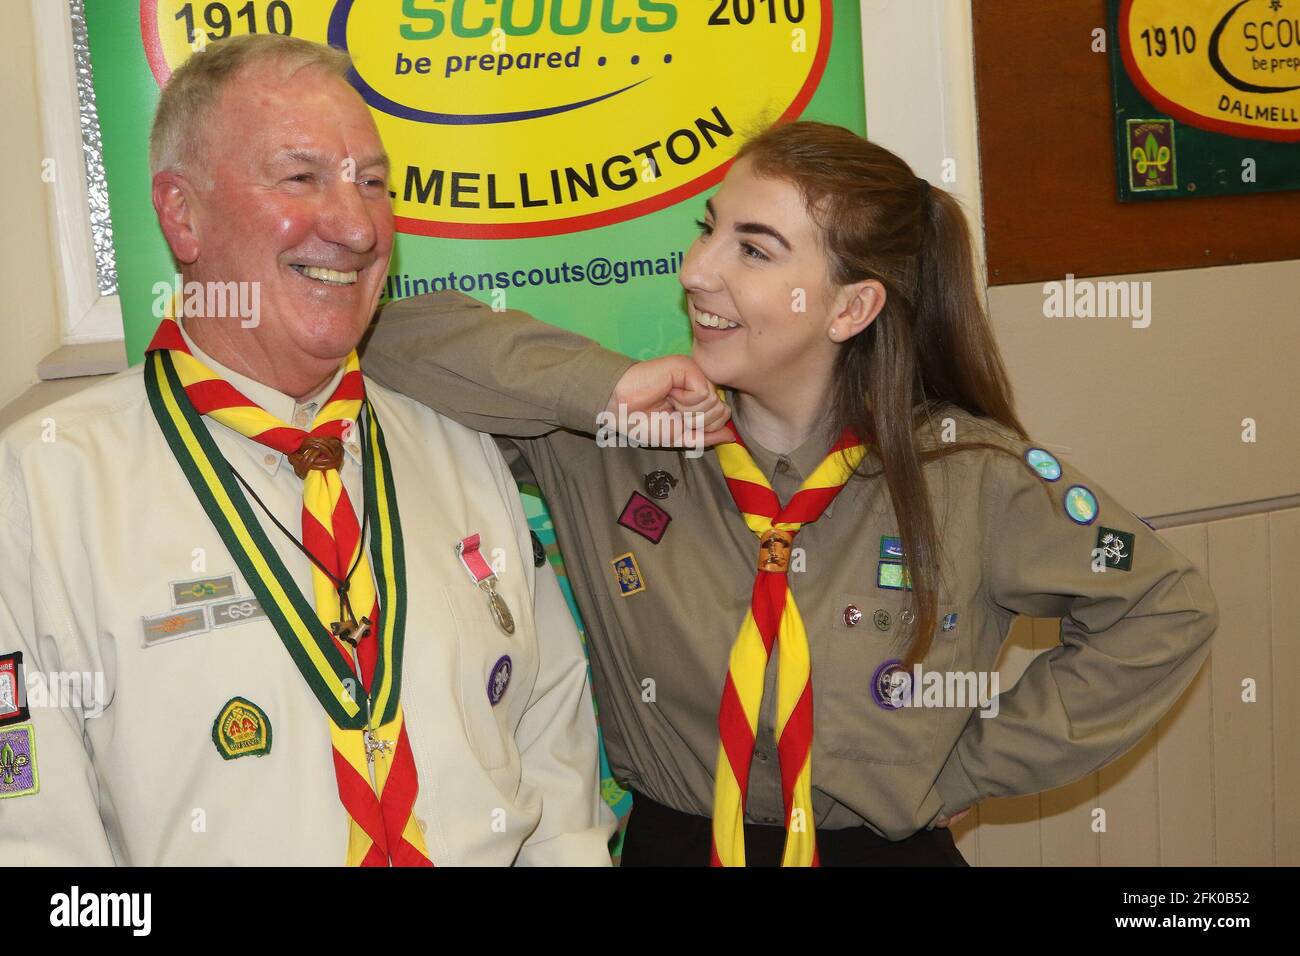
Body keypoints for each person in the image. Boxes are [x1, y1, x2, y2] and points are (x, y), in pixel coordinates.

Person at [361, 121, 1219, 866]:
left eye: (753, 249)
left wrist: (965, 767)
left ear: (850, 309)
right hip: (673, 847)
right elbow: (385, 339)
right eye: (709, 231)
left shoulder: (968, 474)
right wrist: (607, 386)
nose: (697, 270)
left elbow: (1166, 609)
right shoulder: (609, 445)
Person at [0, 34, 614, 866]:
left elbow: (553, 742)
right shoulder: (39, 485)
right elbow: (32, 838)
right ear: (182, 214)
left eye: (372, 183)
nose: (357, 226)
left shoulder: (459, 449)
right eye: (301, 177)